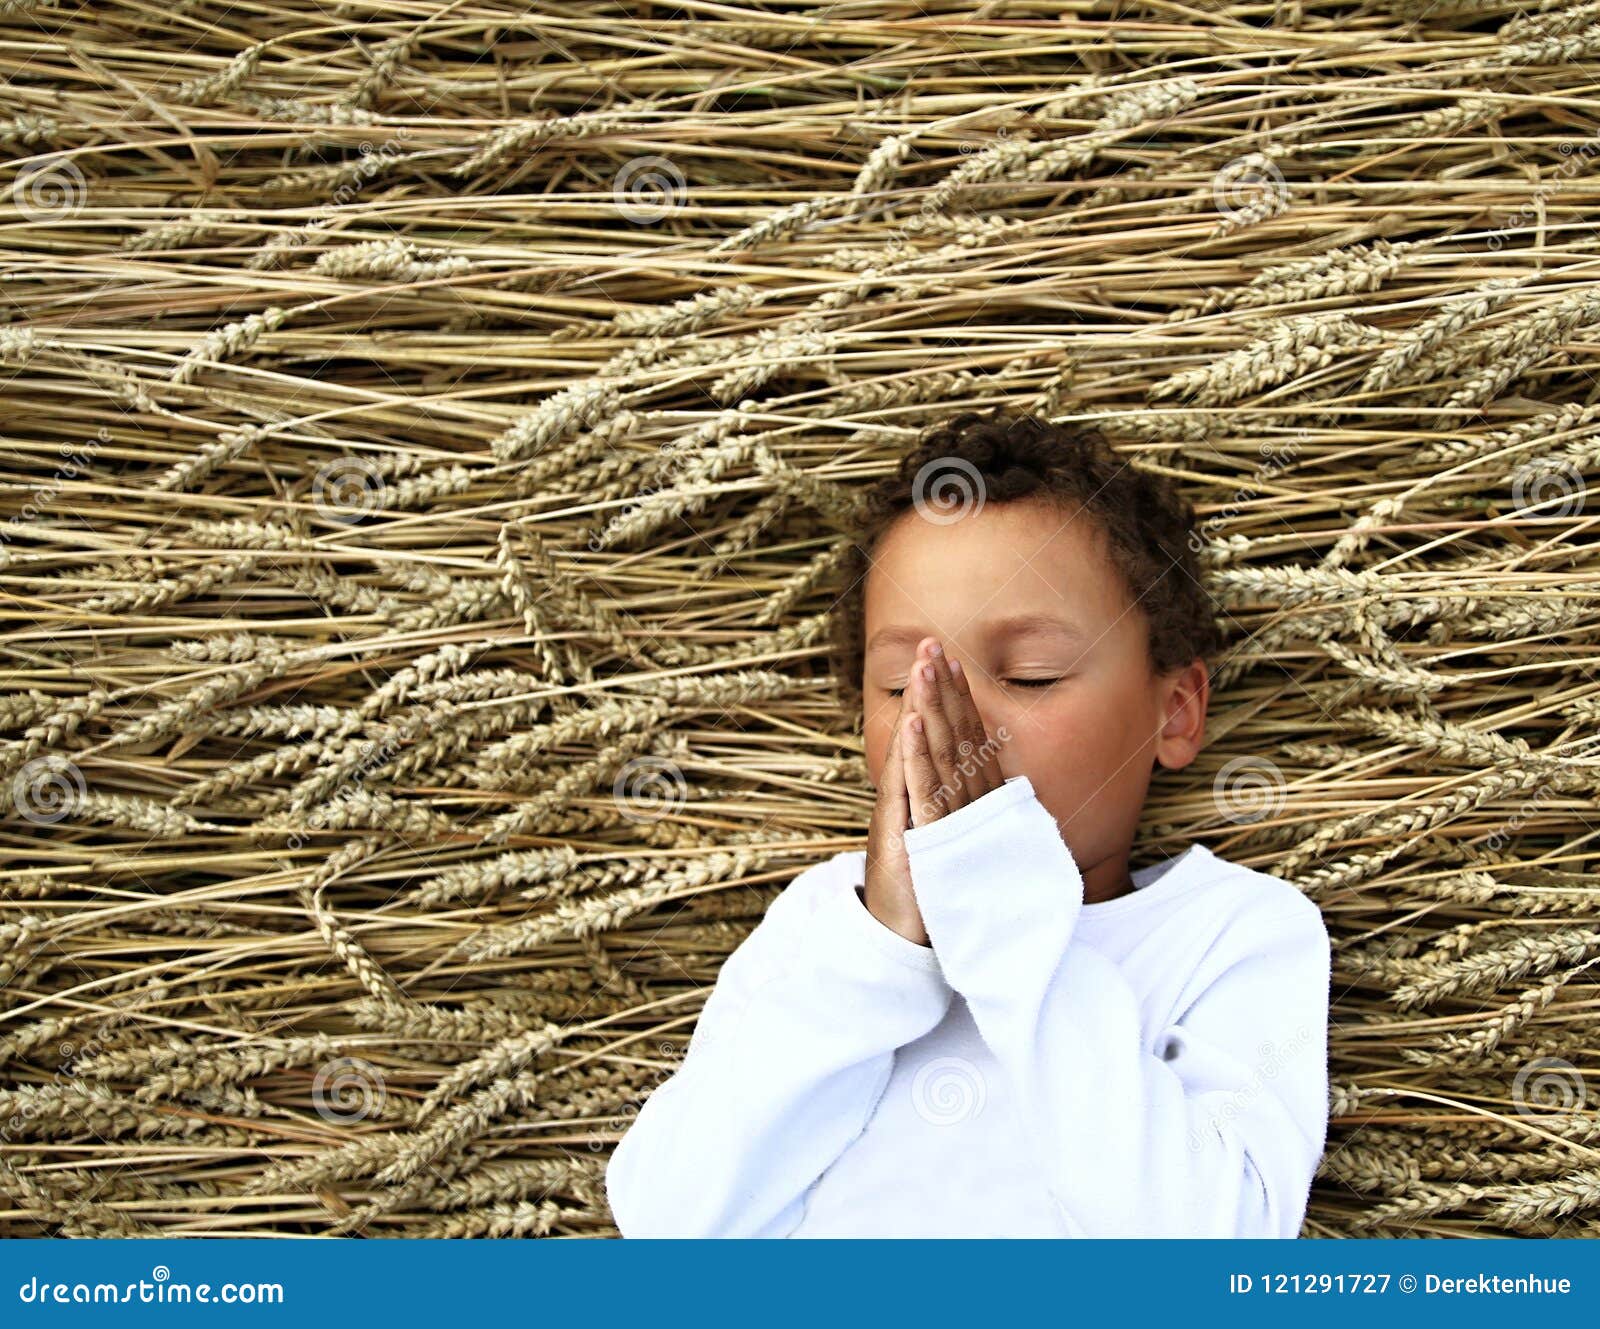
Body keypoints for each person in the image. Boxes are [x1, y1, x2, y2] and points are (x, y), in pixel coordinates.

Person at [605, 406, 1331, 1238]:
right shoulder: (824, 925)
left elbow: (1214, 1241)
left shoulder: (1234, 933)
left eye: (1031, 674)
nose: (958, 721)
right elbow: (670, 1223)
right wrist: (882, 949)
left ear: (1173, 712)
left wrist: (1004, 913)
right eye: (900, 685)